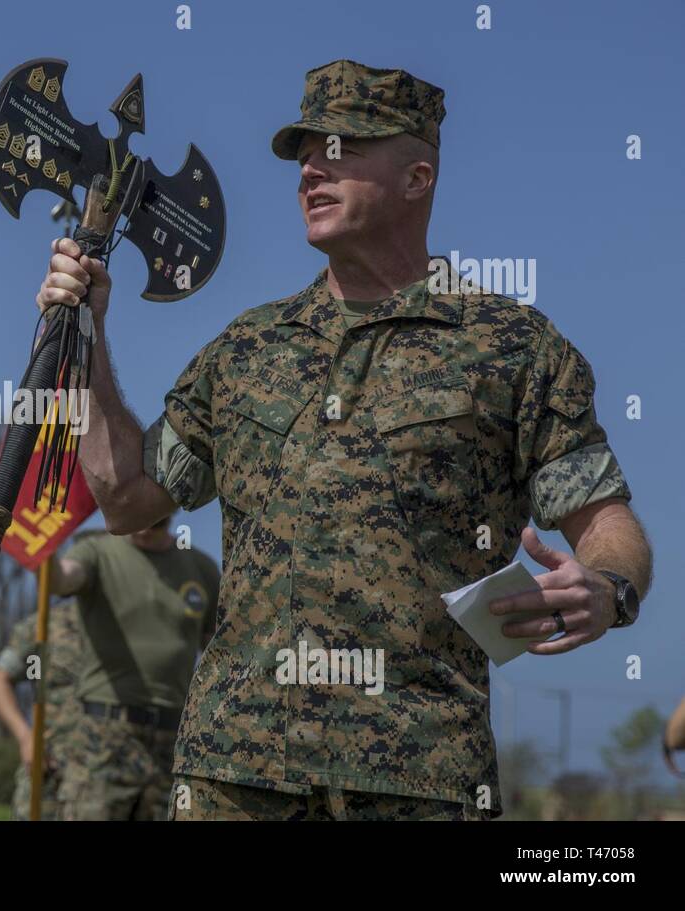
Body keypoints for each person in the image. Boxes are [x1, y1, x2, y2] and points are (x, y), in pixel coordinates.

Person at [35, 59, 653, 821]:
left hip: (422, 778)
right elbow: (128, 500)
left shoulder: (515, 348)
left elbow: (611, 527)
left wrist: (608, 589)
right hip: (234, 775)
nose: (310, 170)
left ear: (418, 177)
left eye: (343, 148)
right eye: (303, 153)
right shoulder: (247, 349)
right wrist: (87, 330)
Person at [40, 521, 218, 820]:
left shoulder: (200, 566)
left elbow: (218, 649)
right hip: (105, 736)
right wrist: (43, 550)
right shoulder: (98, 551)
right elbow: (61, 580)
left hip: (172, 740)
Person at [0, 599, 86, 820]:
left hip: (105, 773)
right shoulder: (44, 625)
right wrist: (25, 737)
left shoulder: (127, 629)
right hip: (49, 768)